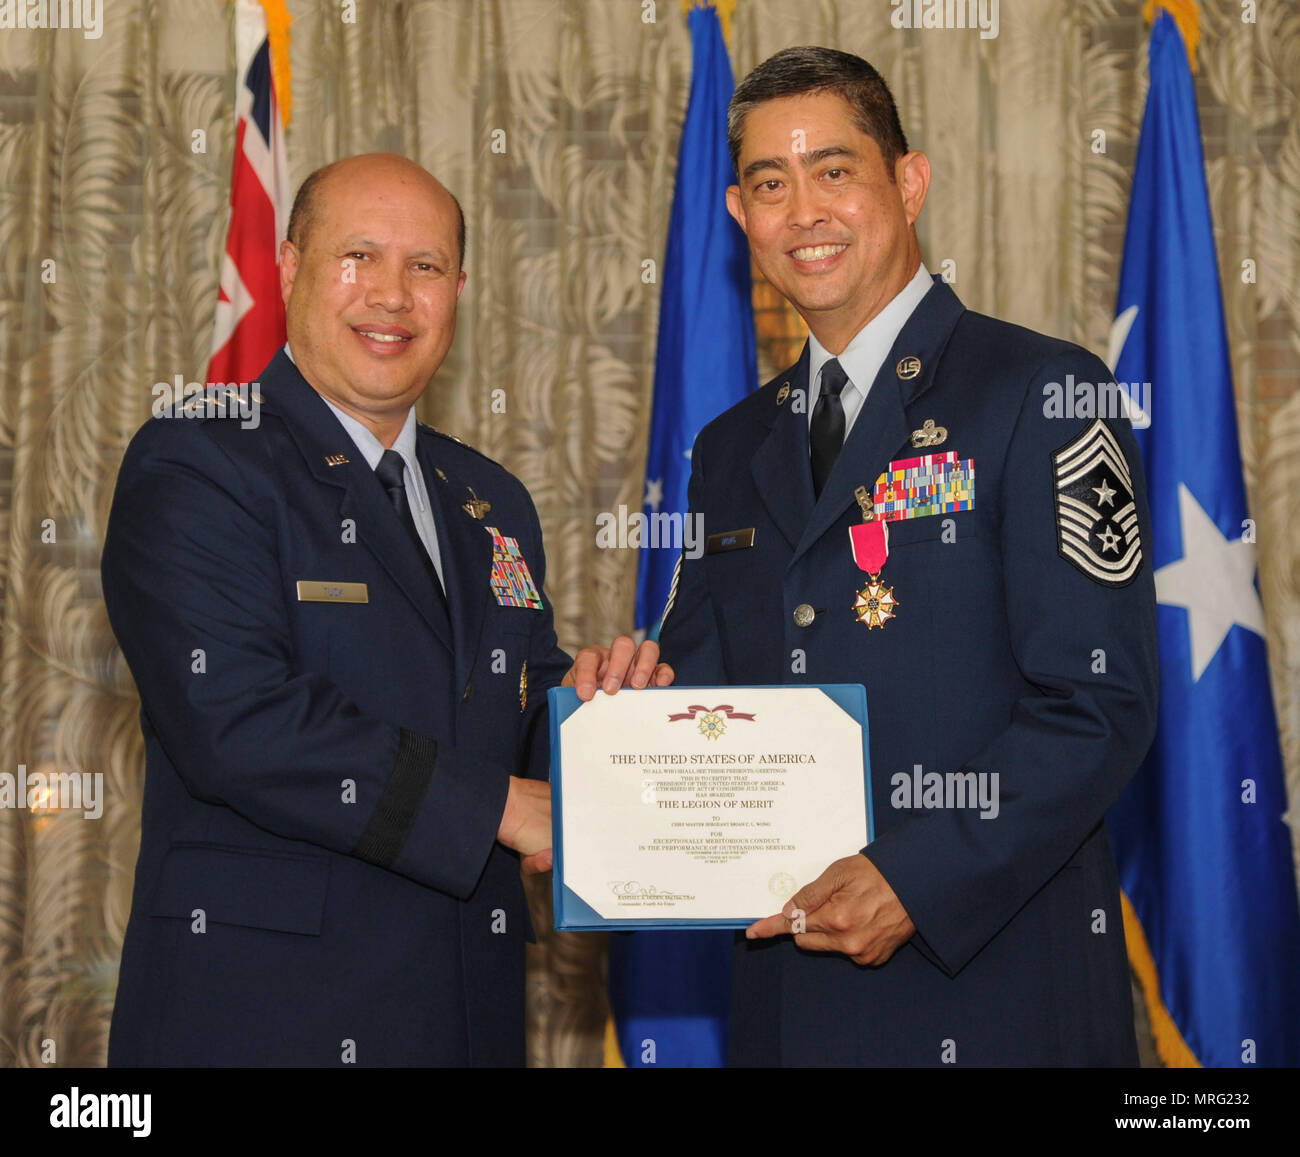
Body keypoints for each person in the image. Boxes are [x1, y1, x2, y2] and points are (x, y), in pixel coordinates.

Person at [102, 153, 665, 1066]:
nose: (393, 295)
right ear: (289, 269)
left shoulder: (490, 499)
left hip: (467, 1013)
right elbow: (239, 720)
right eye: (358, 257)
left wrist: (597, 720)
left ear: (460, 289)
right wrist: (501, 808)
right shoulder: (199, 459)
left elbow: (505, 702)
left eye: (427, 266)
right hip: (265, 1016)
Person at [655, 47, 1159, 1065]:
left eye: (833, 170)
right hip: (790, 996)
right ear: (739, 214)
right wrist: (619, 713)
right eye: (769, 182)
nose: (802, 210)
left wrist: (916, 878)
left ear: (909, 181)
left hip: (993, 988)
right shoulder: (729, 446)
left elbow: (1096, 700)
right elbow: (700, 697)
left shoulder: (1043, 393)